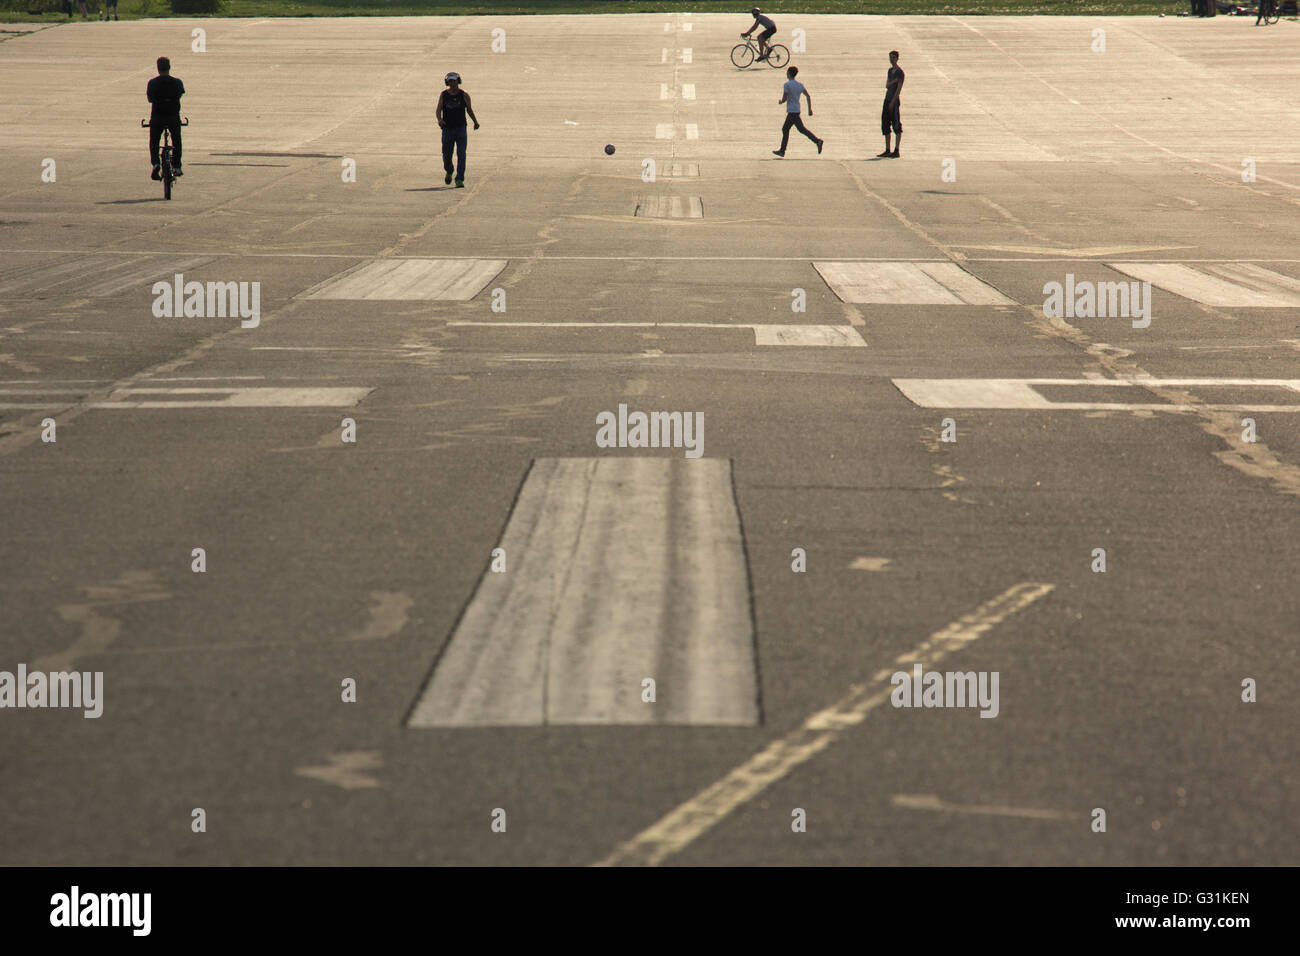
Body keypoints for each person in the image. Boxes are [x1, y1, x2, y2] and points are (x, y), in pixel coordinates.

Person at [436, 72, 480, 188]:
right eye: (450, 81)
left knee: (461, 155)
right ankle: (449, 170)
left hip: (461, 128)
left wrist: (475, 122)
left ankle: (459, 178)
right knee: (446, 155)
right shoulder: (444, 95)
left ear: (458, 81)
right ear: (447, 82)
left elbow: (469, 110)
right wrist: (440, 120)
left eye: (454, 81)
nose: (452, 83)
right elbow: (438, 110)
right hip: (447, 129)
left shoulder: (464, 95)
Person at [146, 57, 185, 181]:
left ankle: (156, 163)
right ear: (169, 67)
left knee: (154, 142)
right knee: (176, 140)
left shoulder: (152, 83)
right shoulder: (177, 82)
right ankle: (177, 166)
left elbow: (150, 99)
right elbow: (179, 95)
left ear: (158, 68)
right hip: (173, 117)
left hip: (157, 117)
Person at [772, 66, 822, 158]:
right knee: (786, 129)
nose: (786, 74)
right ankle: (782, 151)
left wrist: (781, 101)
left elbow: (785, 97)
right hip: (796, 110)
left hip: (792, 111)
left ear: (789, 74)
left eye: (787, 72)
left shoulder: (787, 85)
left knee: (801, 129)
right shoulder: (800, 85)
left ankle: (817, 141)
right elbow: (808, 96)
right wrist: (809, 109)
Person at [878, 50, 904, 159]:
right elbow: (887, 85)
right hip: (887, 99)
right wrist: (893, 82)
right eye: (890, 57)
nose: (891, 59)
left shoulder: (900, 72)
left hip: (894, 100)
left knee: (896, 124)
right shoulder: (890, 71)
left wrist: (893, 101)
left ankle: (896, 150)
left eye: (893, 57)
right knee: (885, 123)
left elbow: (899, 89)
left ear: (897, 58)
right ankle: (887, 149)